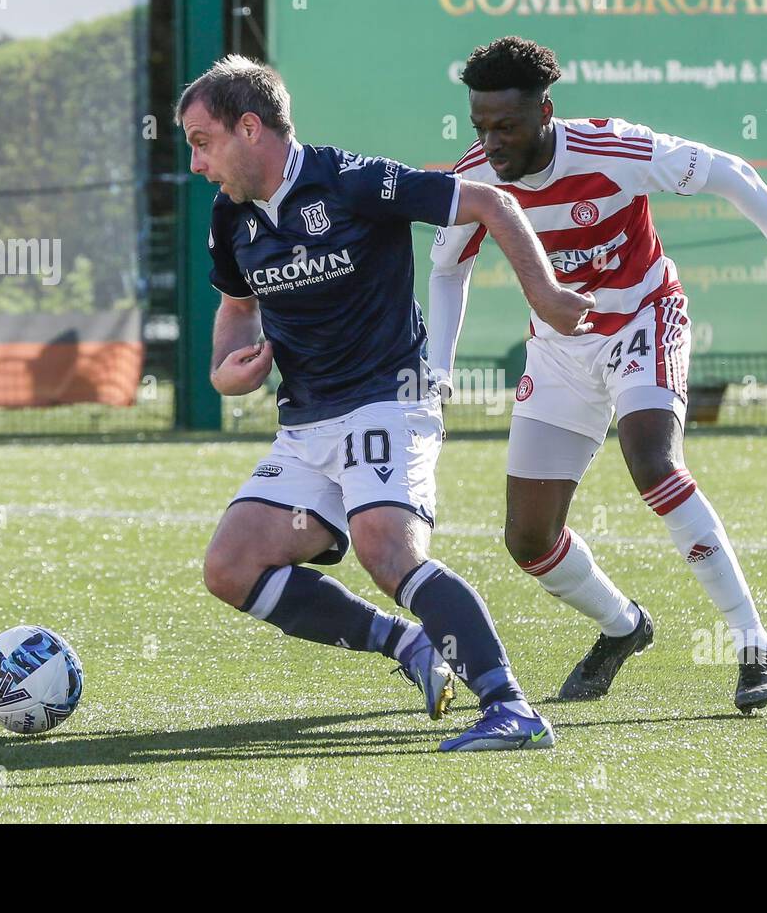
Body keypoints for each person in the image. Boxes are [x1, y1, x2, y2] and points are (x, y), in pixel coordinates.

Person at [428, 37, 767, 712]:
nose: (491, 141)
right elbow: (445, 268)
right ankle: (623, 627)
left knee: (652, 462)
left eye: (507, 126)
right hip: (557, 349)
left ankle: (754, 645)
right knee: (527, 538)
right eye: (481, 126)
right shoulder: (478, 179)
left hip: (643, 319)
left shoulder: (613, 150)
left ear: (546, 111)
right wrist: (438, 371)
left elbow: (732, 172)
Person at [176, 54, 596, 751]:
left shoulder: (352, 180)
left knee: (386, 548)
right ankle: (410, 646)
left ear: (249, 127)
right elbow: (236, 307)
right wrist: (226, 372)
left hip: (388, 401)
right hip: (306, 421)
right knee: (230, 567)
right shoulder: (230, 217)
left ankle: (510, 706)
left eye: (201, 142)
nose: (196, 164)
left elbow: (492, 201)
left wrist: (547, 298)